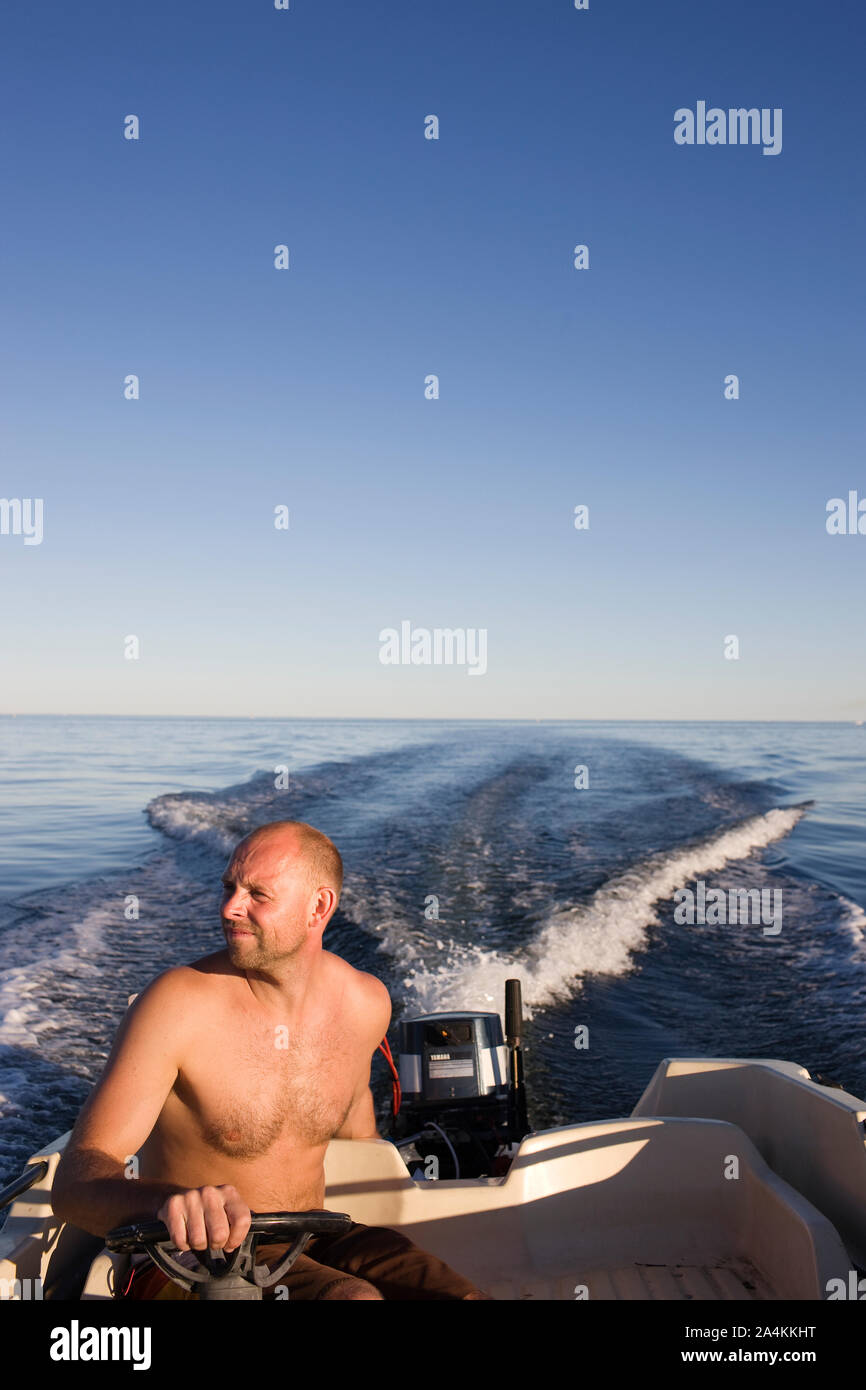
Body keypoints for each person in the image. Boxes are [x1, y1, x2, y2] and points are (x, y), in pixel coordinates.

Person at [52, 820, 491, 1300]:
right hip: (190, 1258)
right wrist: (168, 1203)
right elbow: (76, 1181)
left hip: (314, 1232)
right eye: (228, 887)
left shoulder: (365, 1005)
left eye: (256, 894)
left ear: (318, 907)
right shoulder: (176, 1005)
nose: (229, 907)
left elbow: (356, 1133)